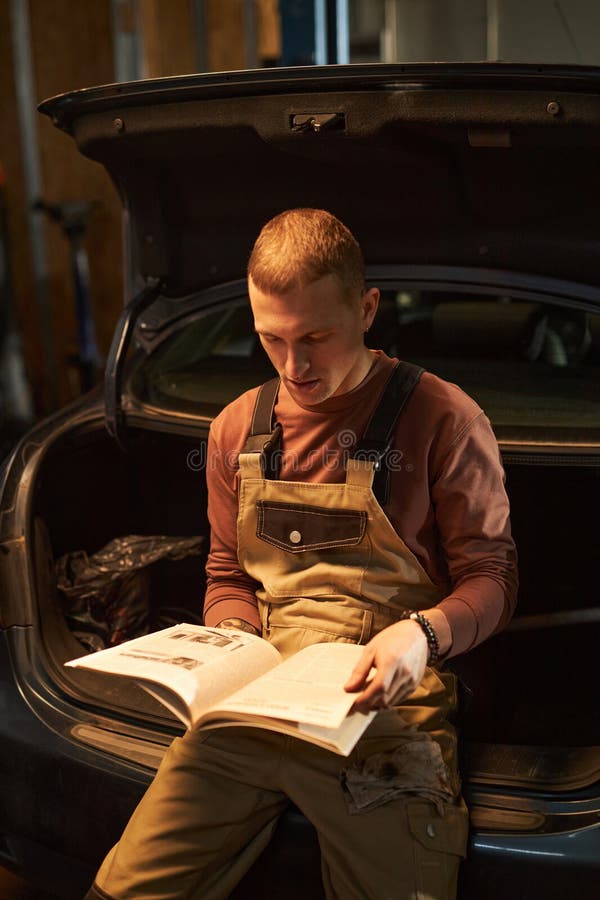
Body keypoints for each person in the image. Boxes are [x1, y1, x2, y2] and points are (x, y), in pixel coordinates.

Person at [87, 208, 517, 900]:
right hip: (256, 702)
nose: (294, 365)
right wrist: (228, 641)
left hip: (385, 714)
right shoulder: (236, 427)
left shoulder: (443, 417)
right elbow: (227, 573)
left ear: (367, 308)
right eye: (272, 339)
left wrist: (422, 634)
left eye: (315, 337)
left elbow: (492, 579)